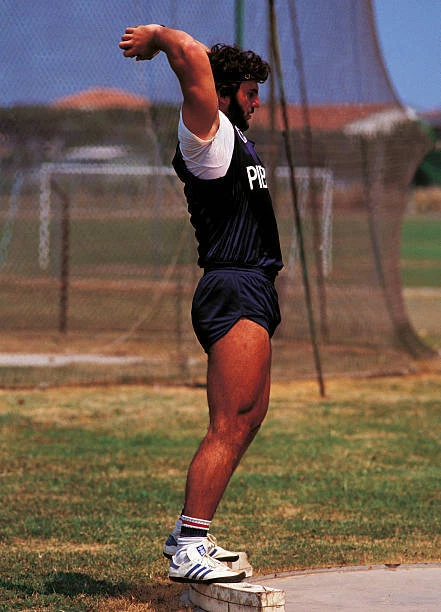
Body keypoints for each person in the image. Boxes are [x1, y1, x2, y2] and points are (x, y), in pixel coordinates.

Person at [119, 24, 283, 584]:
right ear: (224, 91)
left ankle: (194, 534)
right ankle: (189, 545)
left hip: (254, 286)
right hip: (232, 287)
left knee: (250, 417)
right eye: (251, 92)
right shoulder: (207, 135)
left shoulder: (236, 140)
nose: (257, 102)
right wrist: (159, 37)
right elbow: (190, 56)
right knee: (228, 421)